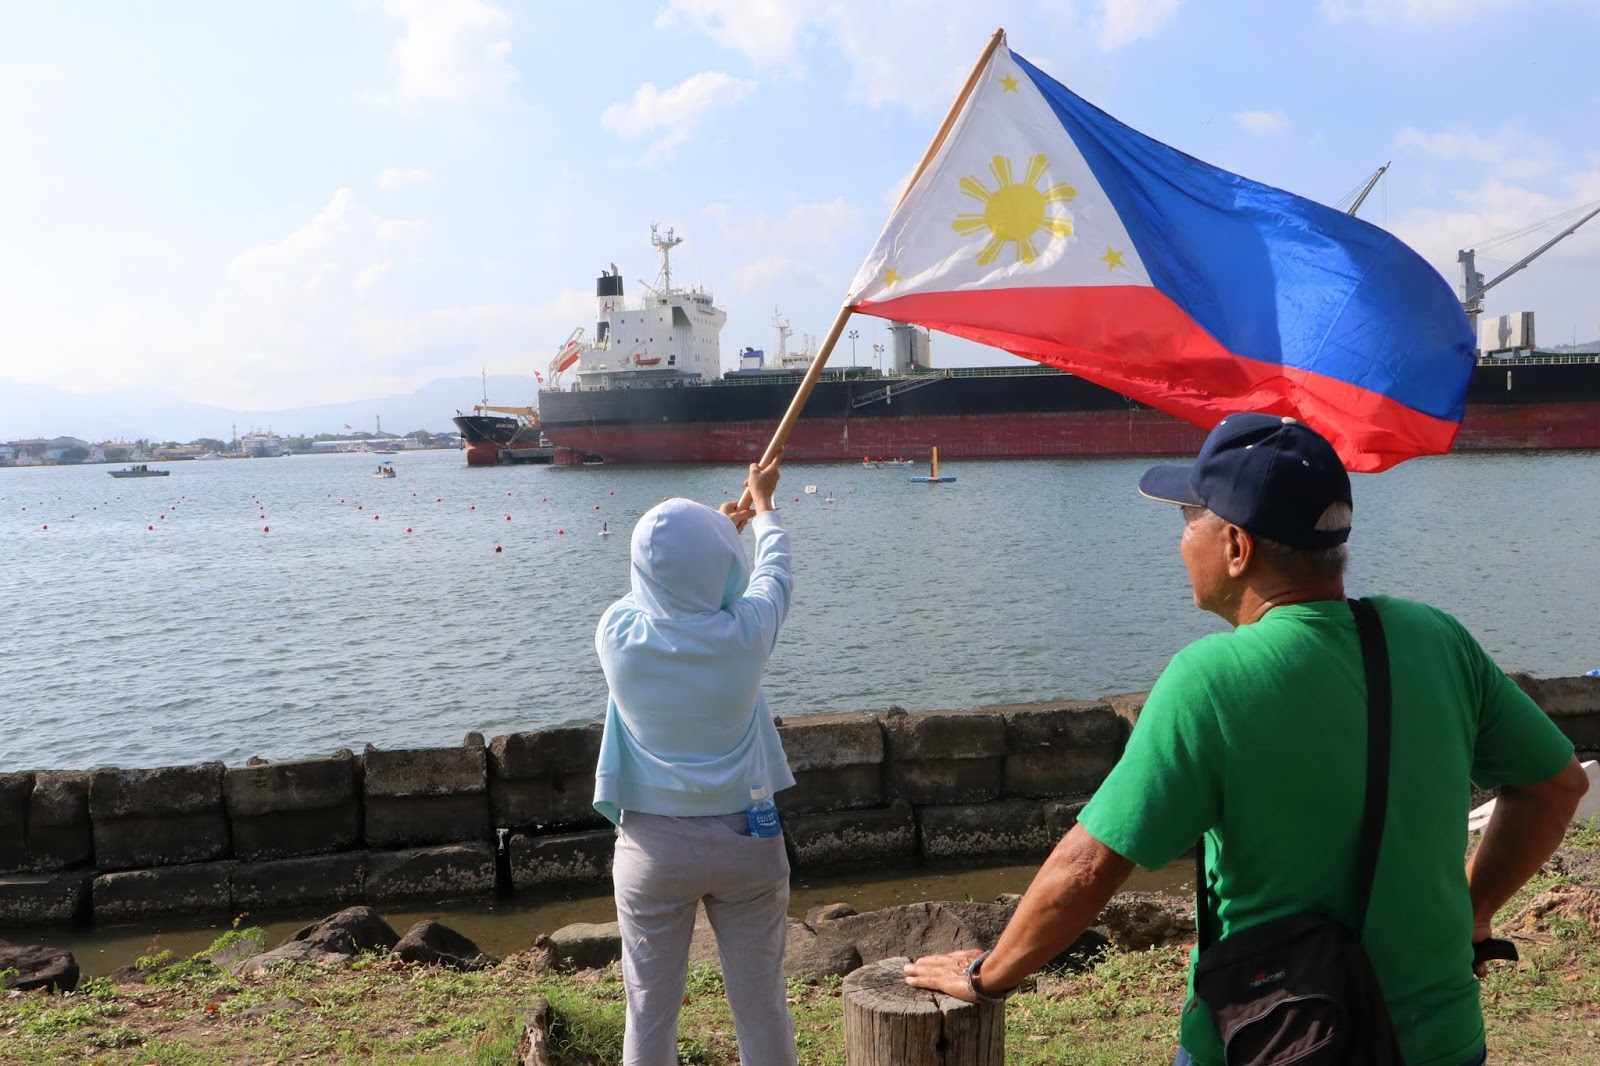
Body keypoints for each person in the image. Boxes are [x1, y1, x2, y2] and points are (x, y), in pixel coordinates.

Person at [904, 413, 1589, 1066]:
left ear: (1236, 547)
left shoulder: (1210, 679)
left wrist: (987, 974)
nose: (1179, 543)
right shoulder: (1436, 639)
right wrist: (1471, 911)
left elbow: (1089, 867)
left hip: (1274, 1039)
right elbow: (1556, 785)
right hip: (1442, 1038)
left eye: (1186, 520)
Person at [593, 453, 798, 1066]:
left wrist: (713, 533)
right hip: (748, 840)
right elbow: (775, 573)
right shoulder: (746, 634)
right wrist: (760, 509)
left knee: (648, 1007)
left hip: (653, 850)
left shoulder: (617, 634)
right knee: (761, 1002)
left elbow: (657, 579)